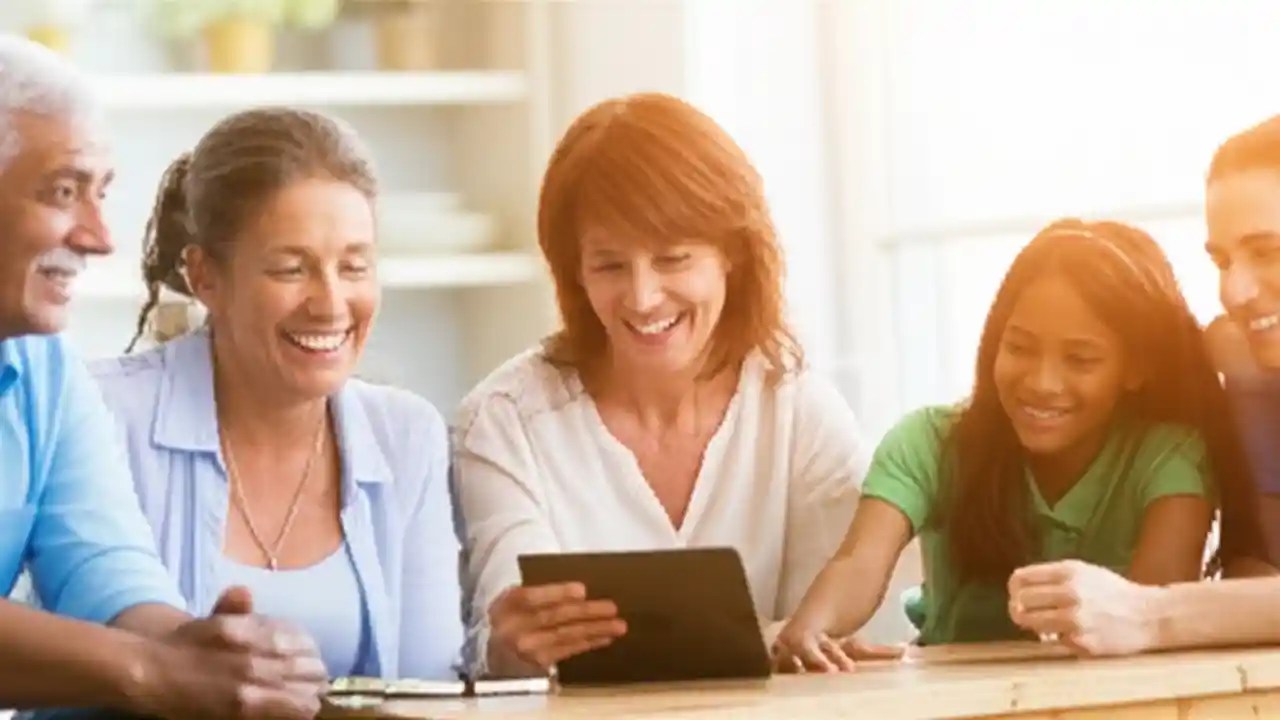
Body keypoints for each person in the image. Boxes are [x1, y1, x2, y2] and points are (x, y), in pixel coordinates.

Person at [452, 92, 878, 678]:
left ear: (732, 253)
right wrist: (511, 650)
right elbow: (509, 635)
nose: (643, 297)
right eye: (609, 265)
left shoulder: (798, 410)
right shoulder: (504, 423)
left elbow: (835, 637)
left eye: (673, 259)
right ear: (574, 271)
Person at [0, 36, 327, 718]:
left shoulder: (42, 365)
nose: (99, 236)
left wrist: (211, 653)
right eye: (63, 191)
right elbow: (142, 663)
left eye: (102, 194)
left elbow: (103, 566)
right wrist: (152, 669)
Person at [774, 218, 1249, 671]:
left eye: (1081, 360)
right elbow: (859, 561)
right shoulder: (928, 442)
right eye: (1019, 348)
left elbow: (1154, 608)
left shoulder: (1171, 455)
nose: (1042, 382)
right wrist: (813, 627)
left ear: (1135, 369)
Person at [90, 107, 465, 681]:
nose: (332, 302)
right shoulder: (104, 417)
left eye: (354, 266)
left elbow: (429, 685)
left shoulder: (406, 435)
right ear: (205, 277)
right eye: (292, 269)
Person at [1006, 116, 1280, 656]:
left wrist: (1150, 614)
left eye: (1267, 252)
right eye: (1222, 261)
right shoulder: (1249, 378)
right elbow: (1257, 564)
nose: (1234, 290)